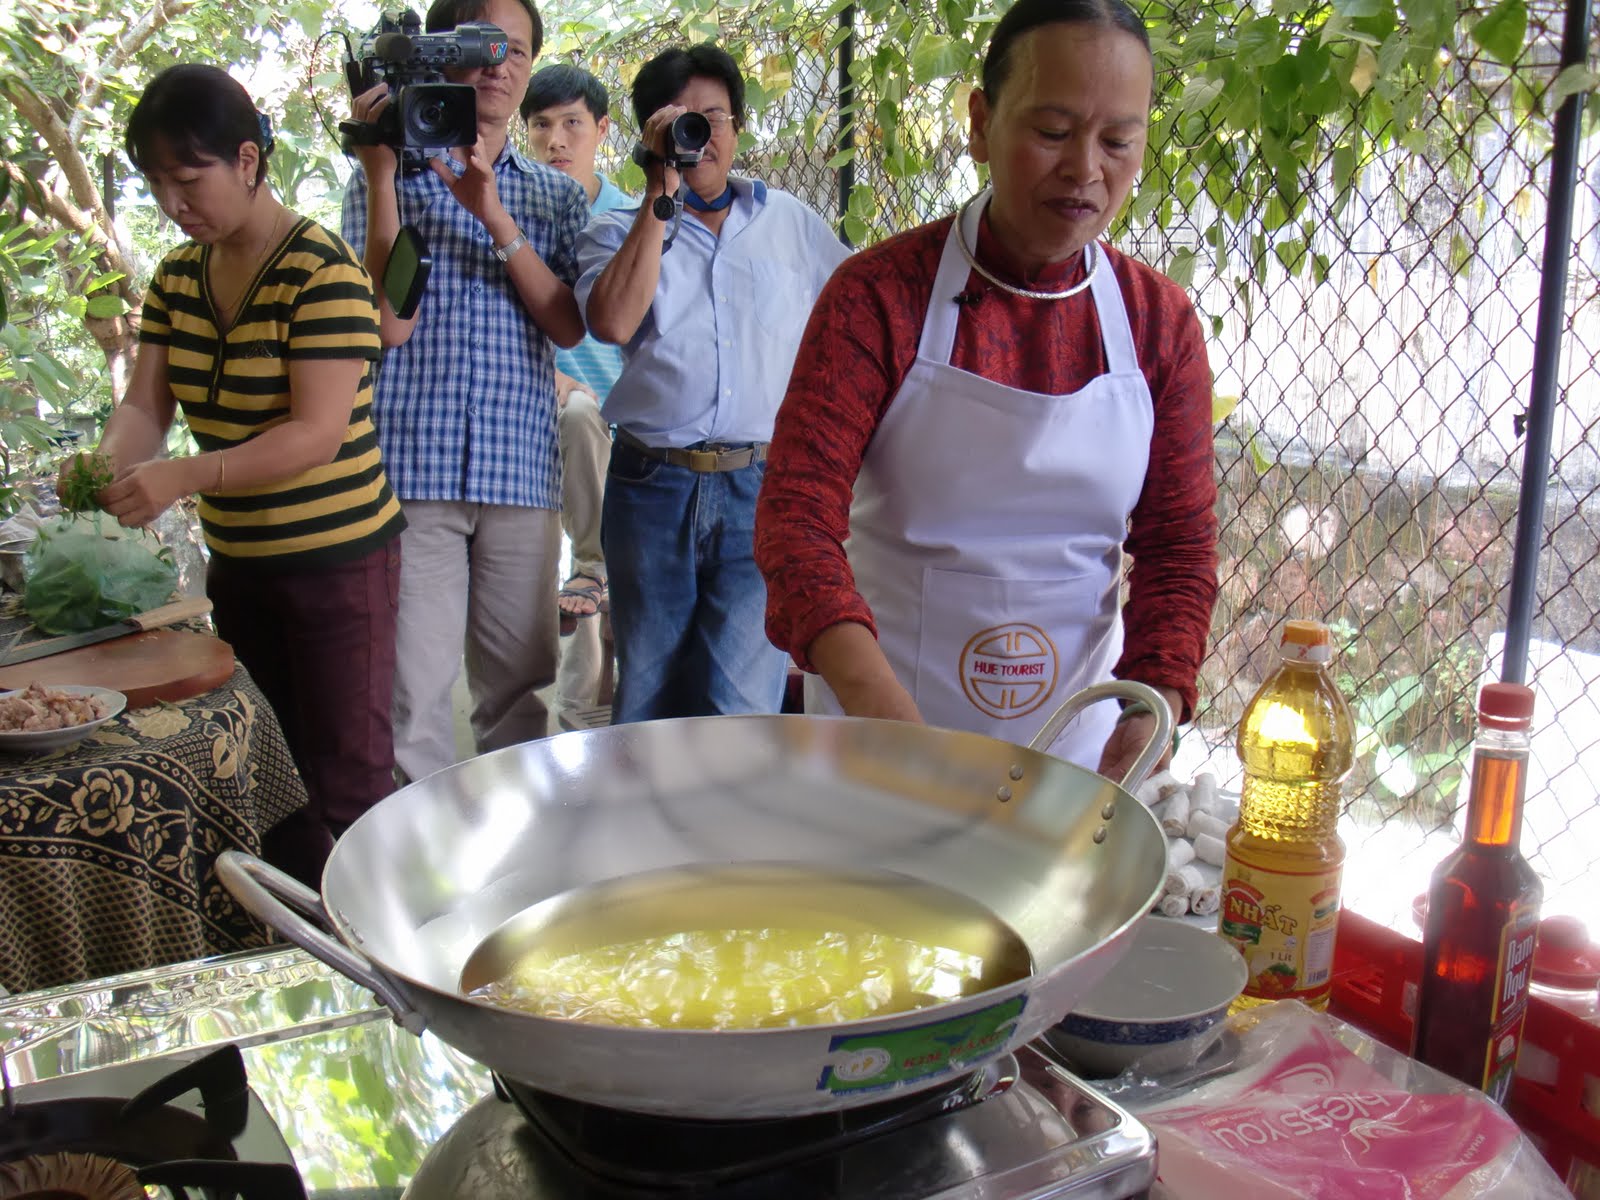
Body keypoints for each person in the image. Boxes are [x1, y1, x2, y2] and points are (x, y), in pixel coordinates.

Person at [755, 0, 1219, 783]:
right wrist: (901, 738)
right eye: (1051, 131)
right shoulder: (877, 297)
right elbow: (795, 523)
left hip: (1073, 770)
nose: (1085, 170)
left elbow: (1178, 547)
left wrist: (1154, 707)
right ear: (980, 121)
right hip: (884, 752)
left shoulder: (1158, 324)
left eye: (1118, 141)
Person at [69, 63, 407, 886]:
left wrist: (184, 477)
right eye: (156, 184)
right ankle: (292, 954)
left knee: (346, 784)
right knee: (268, 776)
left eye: (189, 179)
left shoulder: (321, 270)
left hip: (338, 567)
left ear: (249, 161)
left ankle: (383, 968)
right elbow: (146, 406)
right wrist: (104, 467)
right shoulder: (179, 278)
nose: (174, 204)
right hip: (242, 564)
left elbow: (316, 434)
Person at [342, 0, 587, 782]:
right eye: (479, 46)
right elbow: (378, 319)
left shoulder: (554, 197)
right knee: (410, 698)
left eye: (513, 49)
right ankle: (419, 888)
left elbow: (568, 325)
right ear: (434, 58)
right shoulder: (386, 174)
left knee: (519, 695)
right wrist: (383, 173)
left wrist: (491, 211)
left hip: (518, 472)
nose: (498, 64)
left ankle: (516, 872)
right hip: (411, 471)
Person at [576, 43, 851, 723]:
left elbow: (854, 312)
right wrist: (658, 194)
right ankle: (646, 828)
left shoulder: (789, 223)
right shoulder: (616, 229)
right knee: (647, 693)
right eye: (681, 122)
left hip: (760, 485)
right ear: (651, 134)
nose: (702, 136)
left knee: (742, 700)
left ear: (738, 127)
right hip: (651, 484)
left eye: (715, 118)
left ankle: (730, 828)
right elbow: (611, 321)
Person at [521, 64, 627, 639]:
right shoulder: (515, 216)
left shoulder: (632, 217)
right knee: (581, 413)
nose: (556, 140)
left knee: (598, 639)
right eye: (541, 125)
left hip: (626, 417)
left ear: (603, 128)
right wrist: (556, 381)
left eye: (572, 123)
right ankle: (592, 568)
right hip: (552, 414)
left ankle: (593, 577)